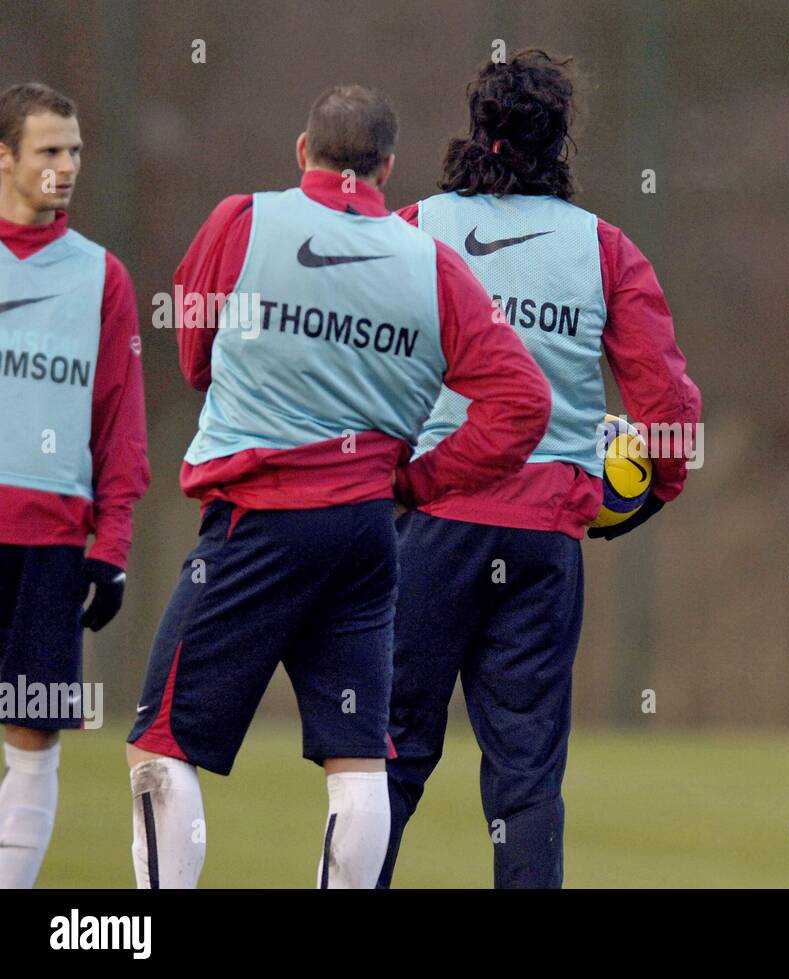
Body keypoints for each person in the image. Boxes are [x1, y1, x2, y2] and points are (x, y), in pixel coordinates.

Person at [124, 84, 551, 888]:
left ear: (301, 150)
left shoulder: (243, 220)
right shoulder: (433, 264)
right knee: (358, 757)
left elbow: (194, 353)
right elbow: (524, 402)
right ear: (387, 166)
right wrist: (421, 481)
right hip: (364, 535)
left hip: (254, 520)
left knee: (161, 741)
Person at [380, 49, 701, 888]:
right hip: (546, 538)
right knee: (525, 780)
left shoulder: (412, 230)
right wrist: (643, 497)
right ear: (561, 142)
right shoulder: (604, 249)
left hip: (432, 527)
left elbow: (356, 370)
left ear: (475, 130)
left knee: (390, 751)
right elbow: (668, 415)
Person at [0, 82, 149, 888]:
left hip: (50, 548)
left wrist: (114, 543)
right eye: (49, 151)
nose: (65, 167)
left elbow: (121, 425)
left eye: (76, 152)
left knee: (33, 739)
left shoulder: (103, 277)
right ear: (5, 157)